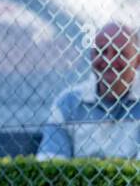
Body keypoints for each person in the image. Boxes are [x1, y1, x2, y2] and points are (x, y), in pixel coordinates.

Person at [37, 21, 140, 159]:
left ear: (137, 60)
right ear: (91, 55)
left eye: (120, 53)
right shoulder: (68, 103)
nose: (109, 60)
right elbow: (50, 162)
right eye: (102, 51)